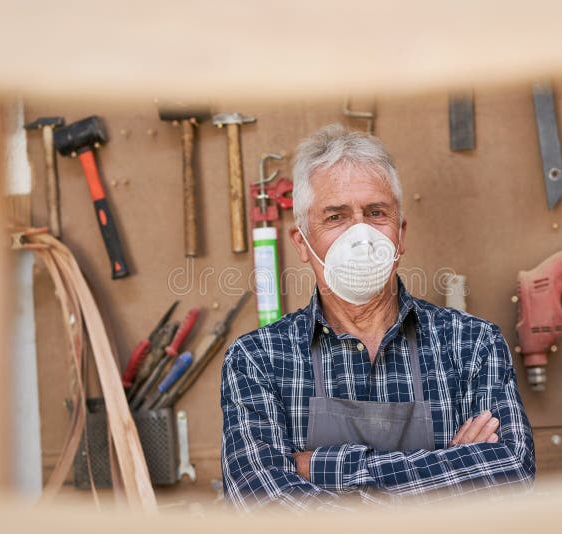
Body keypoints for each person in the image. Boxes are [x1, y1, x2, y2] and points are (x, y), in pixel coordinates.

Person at [220, 124, 535, 512]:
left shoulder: (472, 344)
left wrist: (317, 467)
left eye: (376, 213)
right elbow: (262, 502)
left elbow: (510, 474)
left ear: (400, 235)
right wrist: (449, 474)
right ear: (301, 242)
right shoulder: (258, 359)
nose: (361, 236)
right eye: (336, 217)